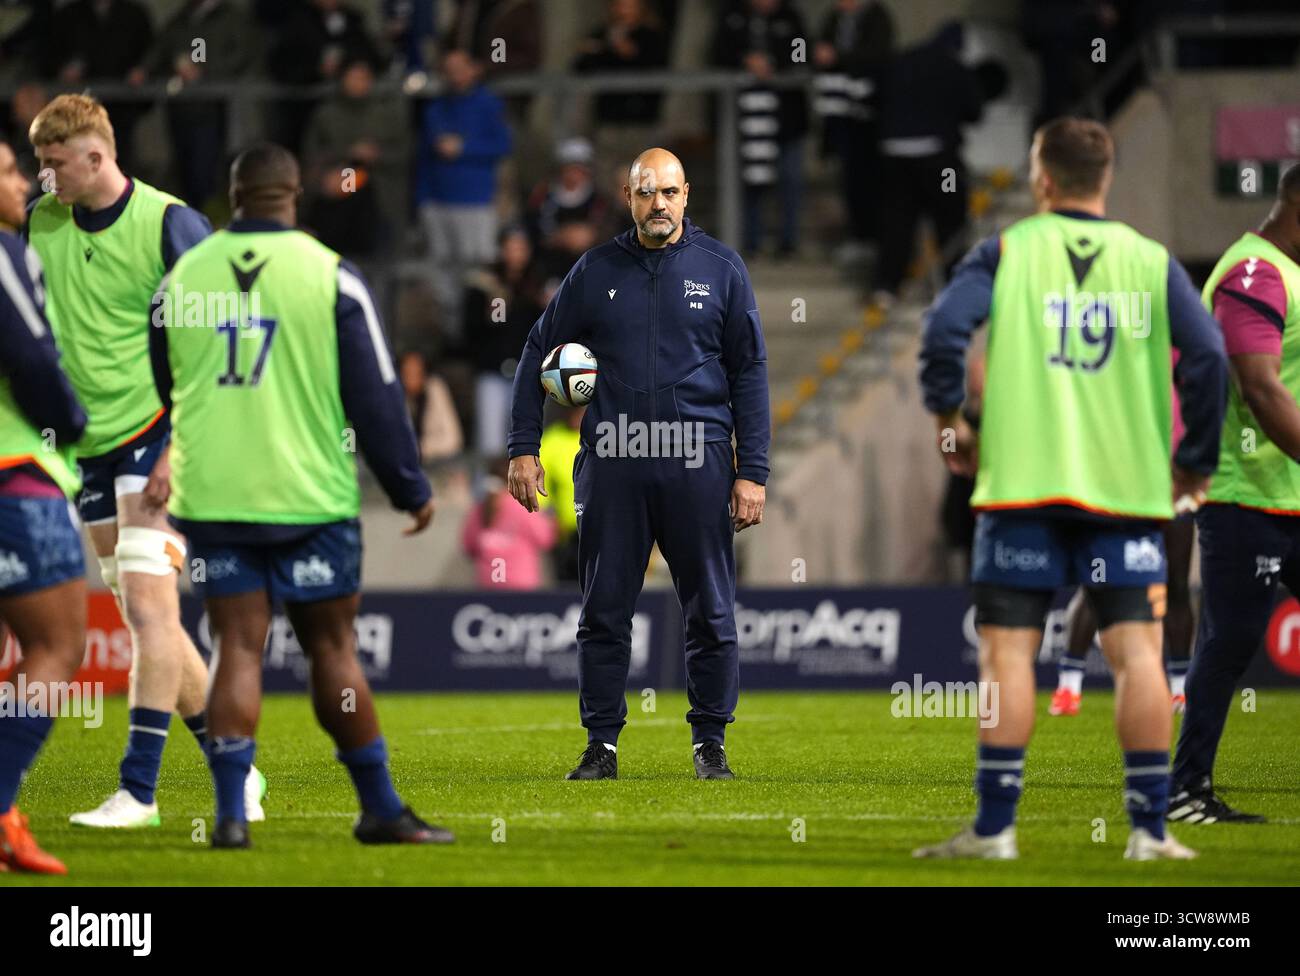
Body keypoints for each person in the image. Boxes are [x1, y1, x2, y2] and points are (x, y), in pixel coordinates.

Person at [914, 118, 1228, 861]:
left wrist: (949, 420)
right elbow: (1208, 355)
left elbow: (941, 334)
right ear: (1106, 178)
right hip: (1125, 491)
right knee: (1140, 658)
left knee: (1008, 659)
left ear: (1042, 178)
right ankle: (1150, 832)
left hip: (1022, 486)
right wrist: (1196, 459)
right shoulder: (1150, 261)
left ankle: (995, 831)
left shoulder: (1006, 252)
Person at [151, 143, 449, 849]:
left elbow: (166, 385)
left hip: (216, 492)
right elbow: (376, 395)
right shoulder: (330, 276)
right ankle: (378, 807)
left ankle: (229, 815)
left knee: (236, 647)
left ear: (234, 194)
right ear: (294, 195)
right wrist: (409, 487)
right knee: (332, 649)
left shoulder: (182, 279)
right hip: (309, 495)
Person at [26, 94, 267, 829]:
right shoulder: (41, 222)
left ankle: (138, 790)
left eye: (56, 163)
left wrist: (184, 446)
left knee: (154, 610)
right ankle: (239, 768)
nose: (45, 178)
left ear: (97, 157)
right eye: (38, 165)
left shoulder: (170, 225)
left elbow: (223, 341)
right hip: (86, 449)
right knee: (147, 620)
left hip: (156, 436)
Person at [507, 148, 770, 781]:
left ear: (687, 197)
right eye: (647, 193)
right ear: (628, 198)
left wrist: (753, 470)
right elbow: (537, 352)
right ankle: (602, 746)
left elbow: (750, 371)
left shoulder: (722, 268)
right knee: (604, 610)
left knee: (710, 608)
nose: (659, 204)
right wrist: (522, 447)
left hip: (697, 459)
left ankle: (711, 743)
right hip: (615, 459)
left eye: (670, 193)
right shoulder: (594, 271)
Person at [1168, 164, 1300, 826]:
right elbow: (1262, 388)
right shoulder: (1255, 273)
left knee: (1229, 637)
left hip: (1291, 493)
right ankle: (1186, 791)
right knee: (1232, 638)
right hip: (1246, 495)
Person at [0, 138, 89, 874]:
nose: (21, 182)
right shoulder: (5, 251)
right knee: (56, 647)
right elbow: (31, 357)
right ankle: (0, 809)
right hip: (15, 473)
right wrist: (73, 421)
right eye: (5, 171)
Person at [416, 48, 513, 343]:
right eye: (449, 68)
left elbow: (504, 145)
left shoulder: (489, 105)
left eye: (461, 67)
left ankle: (485, 338)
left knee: (479, 272)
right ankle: (452, 339)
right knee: (444, 273)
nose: (455, 74)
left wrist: (464, 148)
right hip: (438, 204)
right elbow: (423, 158)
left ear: (475, 69)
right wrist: (421, 201)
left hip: (475, 202)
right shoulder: (434, 109)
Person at [711, 0, 810, 258]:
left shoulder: (791, 18)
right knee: (749, 182)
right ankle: (750, 242)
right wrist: (745, 60)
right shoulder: (731, 16)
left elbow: (802, 53)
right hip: (744, 118)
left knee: (789, 179)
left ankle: (788, 243)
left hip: (786, 117)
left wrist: (774, 63)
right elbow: (717, 54)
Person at [462, 458, 557, 589]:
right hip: (521, 587)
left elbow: (469, 546)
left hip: (487, 586)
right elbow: (546, 539)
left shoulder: (479, 509)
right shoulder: (523, 506)